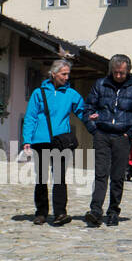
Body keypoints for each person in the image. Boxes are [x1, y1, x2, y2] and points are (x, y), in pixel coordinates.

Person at [82, 54, 132, 228]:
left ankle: (113, 211)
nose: (118, 76)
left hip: (122, 135)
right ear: (111, 71)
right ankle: (96, 210)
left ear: (128, 71)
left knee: (118, 176)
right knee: (100, 174)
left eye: (122, 73)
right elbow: (88, 108)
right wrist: (93, 128)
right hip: (102, 134)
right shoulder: (100, 84)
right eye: (116, 72)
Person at [21, 59, 86, 226]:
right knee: (41, 178)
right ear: (54, 74)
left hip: (61, 142)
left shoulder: (71, 94)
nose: (66, 77)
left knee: (59, 178)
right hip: (40, 140)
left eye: (68, 74)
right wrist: (27, 139)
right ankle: (41, 213)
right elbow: (30, 117)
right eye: (63, 74)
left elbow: (83, 111)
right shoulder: (38, 93)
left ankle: (60, 213)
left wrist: (94, 119)